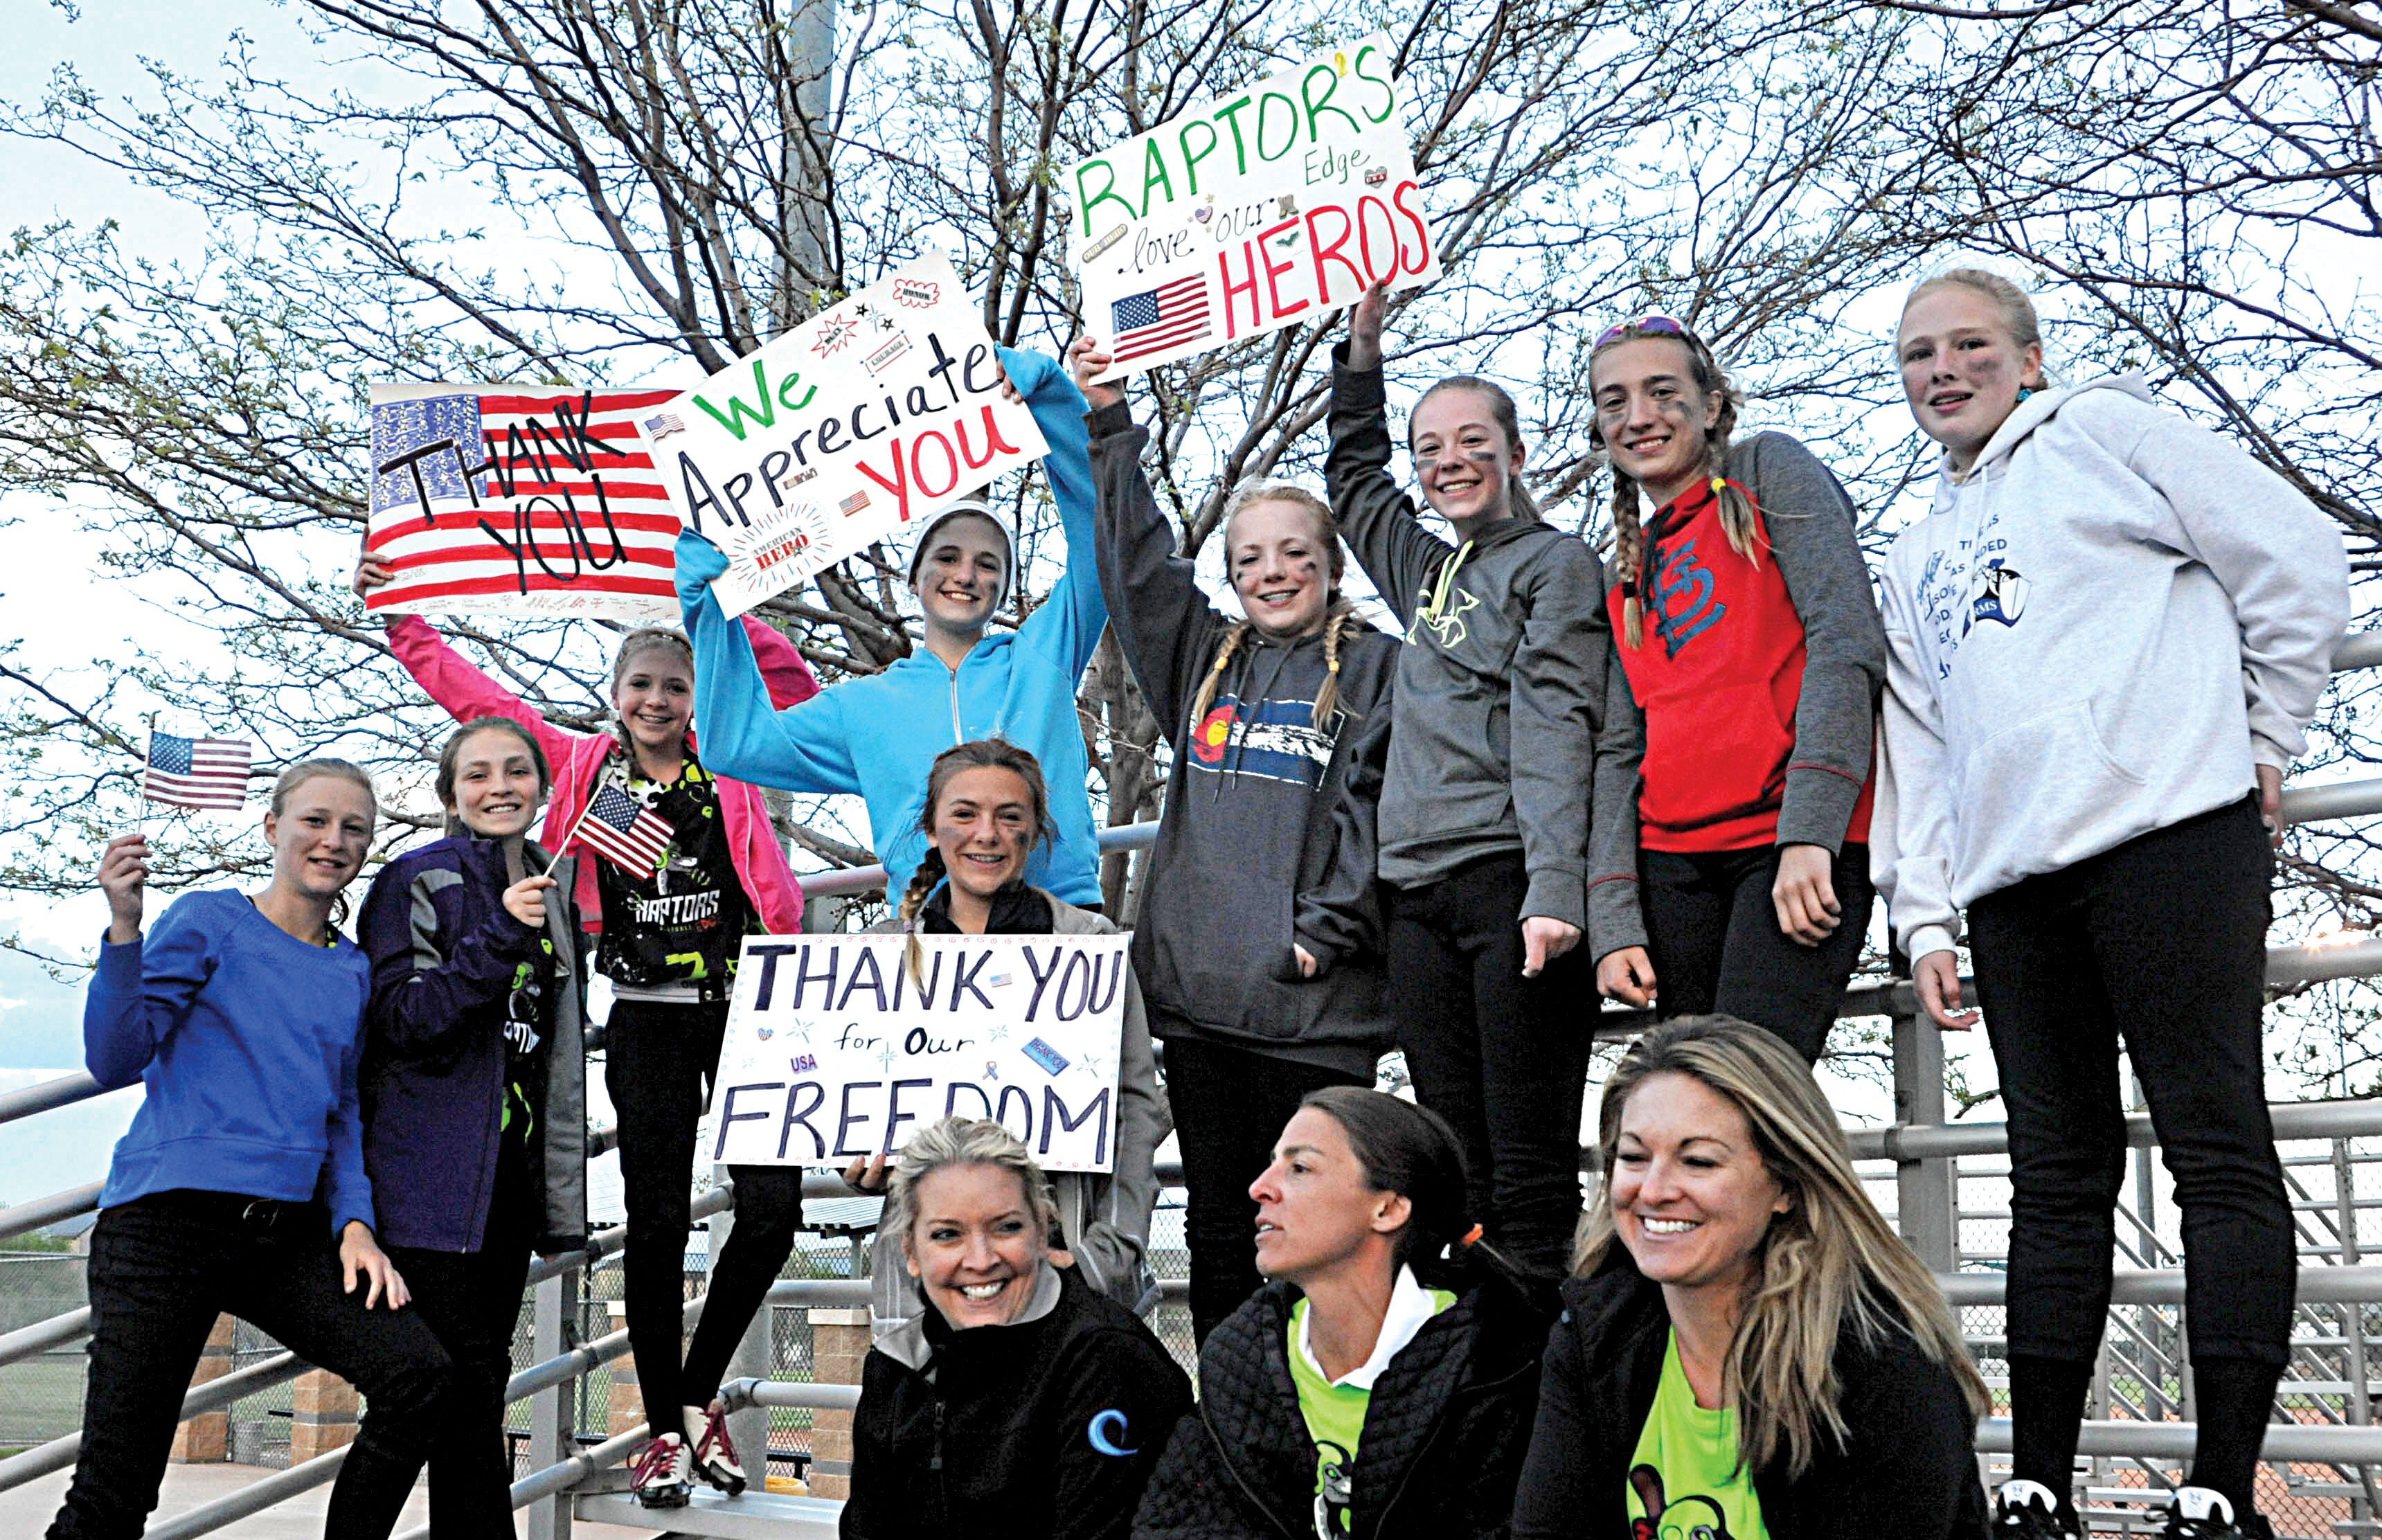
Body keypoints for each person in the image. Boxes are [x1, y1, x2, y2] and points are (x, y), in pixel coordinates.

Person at [1874, 268, 2349, 1540]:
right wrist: (1923, 913)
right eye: (1920, 353)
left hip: (2170, 839)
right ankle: (2035, 1481)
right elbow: (1915, 745)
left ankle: (2223, 1482)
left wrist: (2267, 735)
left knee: (2218, 1147)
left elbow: (2295, 554)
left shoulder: (2105, 432)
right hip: (2014, 887)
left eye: (1971, 343)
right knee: (2054, 1175)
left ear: (2028, 357)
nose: (1944, 369)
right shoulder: (1915, 549)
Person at [350, 558, 819, 1506]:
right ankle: (661, 1431)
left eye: (674, 685)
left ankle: (694, 1399)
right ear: (615, 696)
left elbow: (801, 690)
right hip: (646, 1018)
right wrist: (403, 617)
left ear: (697, 696)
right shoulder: (577, 769)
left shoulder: (734, 755)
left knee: (770, 1215)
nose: (656, 699)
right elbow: (470, 696)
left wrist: (720, 609)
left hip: (750, 1010)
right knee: (654, 1227)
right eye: (640, 684)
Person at [1074, 332, 1399, 1345]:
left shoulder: (1382, 668)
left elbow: (1384, 809)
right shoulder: (1203, 661)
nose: (1273, 573)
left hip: (1317, 1013)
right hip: (1204, 1007)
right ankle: (1230, 1438)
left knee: (1322, 1238)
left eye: (1295, 554)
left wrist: (1324, 929)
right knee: (1222, 1228)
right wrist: (1111, 419)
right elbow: (1134, 566)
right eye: (1250, 558)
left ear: (1331, 565)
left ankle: (1328, 1439)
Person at [50, 760, 456, 1540]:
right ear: (273, 827)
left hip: (283, 1235)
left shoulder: (351, 971)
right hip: (165, 1225)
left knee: (422, 1378)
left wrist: (356, 1225)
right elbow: (116, 1056)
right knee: (117, 1489)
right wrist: (125, 925)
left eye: (353, 828)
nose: (332, 840)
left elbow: (341, 1114)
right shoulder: (208, 920)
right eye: (314, 820)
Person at [1329, 279, 1610, 1278]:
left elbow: (1558, 726)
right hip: (1417, 896)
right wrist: (1362, 351)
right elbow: (1356, 486)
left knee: (1530, 1169)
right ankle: (1479, 1389)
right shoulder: (1430, 576)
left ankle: (1547, 1400)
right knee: (1455, 1164)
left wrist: (1554, 889)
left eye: (1471, 443)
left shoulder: (1553, 565)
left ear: (1516, 453)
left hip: (1511, 887)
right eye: (1431, 449)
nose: (1450, 464)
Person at [1512, 1015, 1990, 1539]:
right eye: (1633, 1157)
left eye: (1697, 1162)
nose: (1652, 1190)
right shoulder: (1594, 1333)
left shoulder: (1885, 1366)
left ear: (1786, 1185)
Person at [672, 343, 1111, 910]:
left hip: (1063, 917)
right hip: (932, 933)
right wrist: (712, 612)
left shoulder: (1042, 656)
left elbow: (1103, 548)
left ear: (1003, 588)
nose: (966, 575)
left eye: (988, 565)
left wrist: (1053, 406)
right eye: (948, 558)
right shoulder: (863, 707)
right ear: (915, 578)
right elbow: (738, 744)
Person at [1583, 313, 1888, 1063]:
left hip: (1785, 844)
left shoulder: (1766, 472)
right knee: (1689, 1100)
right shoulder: (1619, 570)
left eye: (1660, 391)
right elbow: (1622, 747)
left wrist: (1811, 832)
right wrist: (1614, 915)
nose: (1639, 417)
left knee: (1749, 1092)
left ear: (1711, 404)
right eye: (1613, 401)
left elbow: (1843, 640)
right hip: (1671, 863)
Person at [356, 718, 591, 1533]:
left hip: (506, 1192)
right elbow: (403, 1018)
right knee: (427, 1398)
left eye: (518, 771)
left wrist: (560, 1202)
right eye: (479, 773)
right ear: (450, 792)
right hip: (427, 1188)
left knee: (474, 1396)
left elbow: (556, 1064)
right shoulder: (414, 879)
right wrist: (500, 933)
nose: (501, 787)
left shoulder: (554, 894)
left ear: (542, 785)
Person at [1132, 1086, 1553, 1539]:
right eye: (1273, 1163)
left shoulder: (1503, 1366)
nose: (1260, 1188)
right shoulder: (1238, 1362)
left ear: (1388, 1208)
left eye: (1300, 1168)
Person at [846, 738, 1169, 1328]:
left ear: (1035, 831)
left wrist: (1105, 1257)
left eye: (1009, 816)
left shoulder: (1087, 946)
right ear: (933, 828)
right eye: (965, 814)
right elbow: (857, 1111)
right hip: (927, 1298)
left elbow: (1136, 1106)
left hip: (1069, 1272)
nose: (986, 834)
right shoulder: (879, 957)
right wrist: (857, 1160)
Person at [839, 1116, 1192, 1540]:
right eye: (947, 1235)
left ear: (1043, 1231)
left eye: (1006, 1227)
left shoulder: (1110, 1361)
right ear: (911, 1253)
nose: (981, 1259)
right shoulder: (895, 1367)